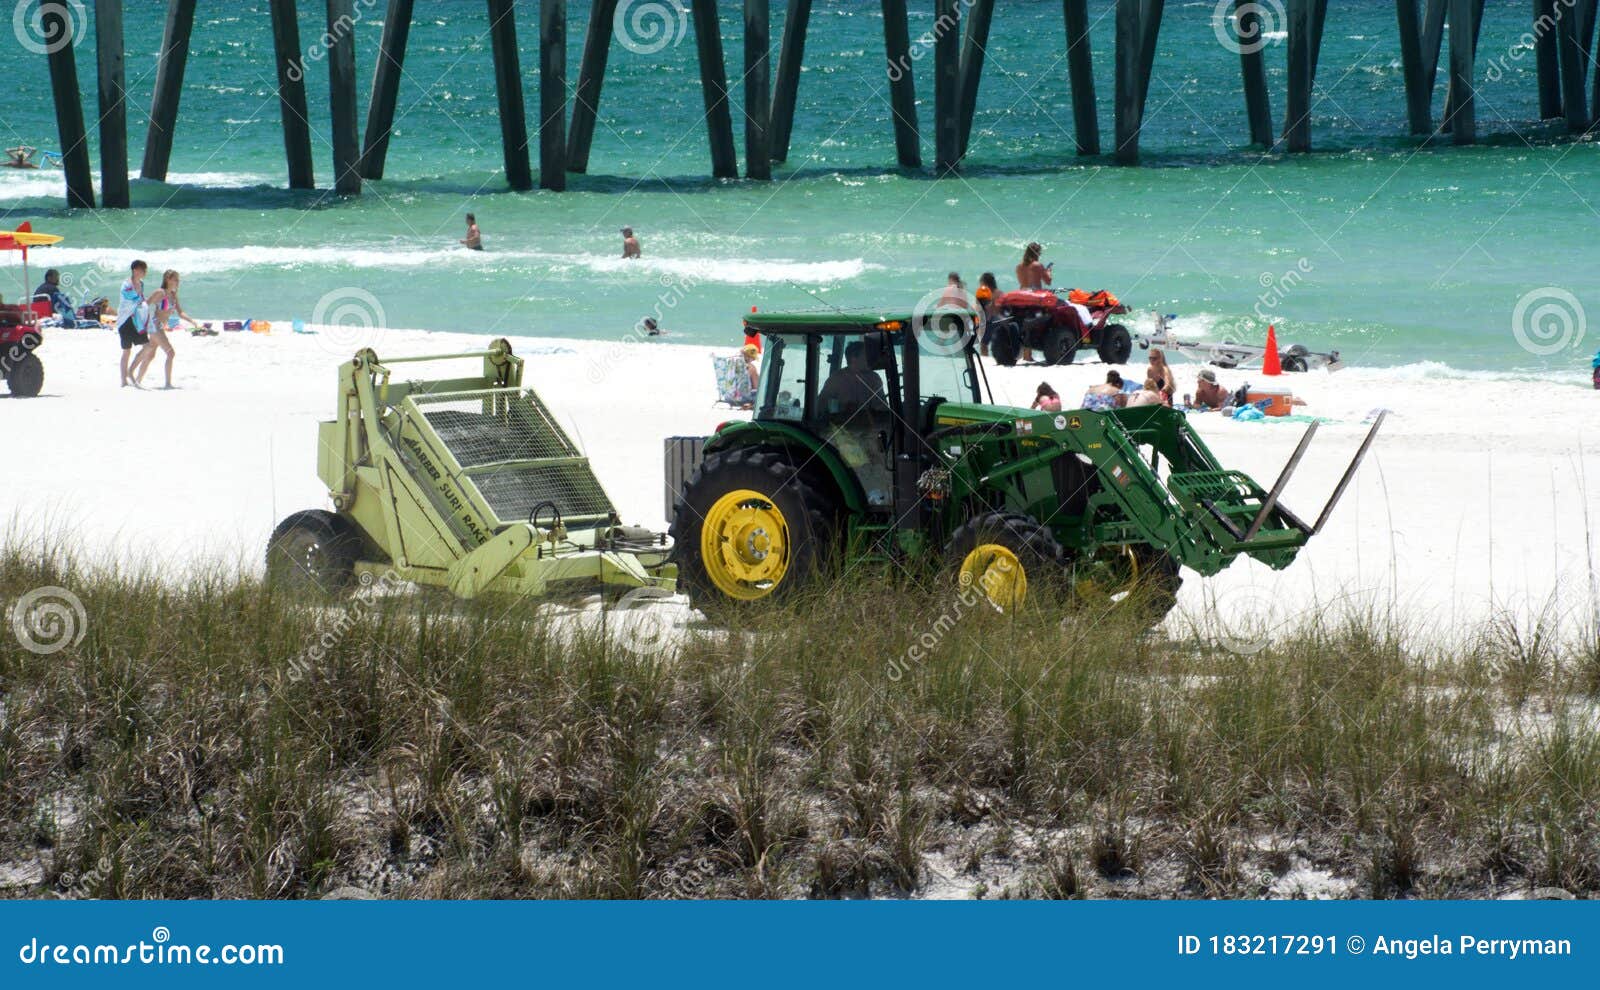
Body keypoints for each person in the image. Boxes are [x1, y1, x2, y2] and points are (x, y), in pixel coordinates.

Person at [131, 269, 195, 389]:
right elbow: (145, 304)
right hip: (154, 326)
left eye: (178, 279)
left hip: (161, 327)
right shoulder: (160, 293)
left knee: (150, 356)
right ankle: (168, 384)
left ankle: (137, 381)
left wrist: (192, 321)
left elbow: (180, 312)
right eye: (175, 279)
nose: (178, 281)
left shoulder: (173, 295)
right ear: (168, 279)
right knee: (170, 353)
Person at [817, 340, 887, 421]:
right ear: (854, 358)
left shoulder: (874, 378)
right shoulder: (836, 379)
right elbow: (821, 406)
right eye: (866, 356)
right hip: (840, 428)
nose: (870, 358)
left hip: (868, 428)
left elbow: (881, 407)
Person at [115, 260, 149, 387]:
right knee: (126, 351)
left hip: (137, 320)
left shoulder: (141, 283)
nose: (145, 272)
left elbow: (141, 300)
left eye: (145, 270)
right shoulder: (126, 284)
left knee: (147, 346)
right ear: (135, 270)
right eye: (143, 270)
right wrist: (145, 301)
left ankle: (130, 371)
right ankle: (123, 381)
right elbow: (133, 298)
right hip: (124, 320)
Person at [975, 272, 999, 356]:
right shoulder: (999, 293)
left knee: (984, 344)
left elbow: (979, 309)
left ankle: (985, 358)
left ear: (984, 283)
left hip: (990, 322)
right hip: (1000, 322)